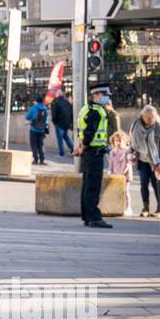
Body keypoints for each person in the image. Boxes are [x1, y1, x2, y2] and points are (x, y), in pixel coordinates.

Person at [74, 85, 112, 228]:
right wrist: (82, 148)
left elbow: (81, 131)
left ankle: (87, 216)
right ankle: (94, 217)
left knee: (87, 185)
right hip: (94, 152)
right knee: (93, 187)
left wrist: (80, 148)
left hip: (89, 152)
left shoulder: (86, 109)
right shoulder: (97, 111)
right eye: (104, 94)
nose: (107, 97)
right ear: (97, 95)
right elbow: (89, 134)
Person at [130, 104, 160, 218]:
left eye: (152, 118)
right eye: (148, 118)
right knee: (143, 183)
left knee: (157, 184)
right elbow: (133, 142)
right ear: (143, 116)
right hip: (143, 159)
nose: (150, 120)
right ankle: (145, 207)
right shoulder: (136, 125)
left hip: (157, 161)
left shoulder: (159, 126)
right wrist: (132, 155)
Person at [25, 94, 49, 164]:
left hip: (34, 129)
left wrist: (32, 119)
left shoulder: (33, 108)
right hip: (42, 130)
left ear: (36, 101)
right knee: (40, 145)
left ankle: (35, 159)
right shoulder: (45, 109)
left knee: (34, 145)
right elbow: (47, 119)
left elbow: (27, 117)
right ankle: (42, 159)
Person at [50, 91, 74, 157]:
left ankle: (61, 153)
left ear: (57, 94)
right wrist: (70, 123)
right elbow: (71, 112)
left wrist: (54, 122)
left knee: (60, 139)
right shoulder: (67, 102)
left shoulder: (55, 102)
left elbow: (54, 113)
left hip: (59, 123)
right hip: (67, 123)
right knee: (66, 137)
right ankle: (73, 148)